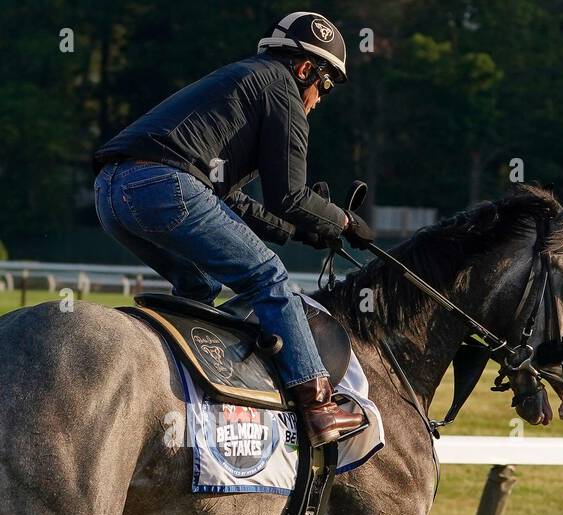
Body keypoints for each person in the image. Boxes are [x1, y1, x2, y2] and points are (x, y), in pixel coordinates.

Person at [92, 11, 374, 446]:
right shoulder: (282, 89)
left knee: (198, 284)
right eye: (325, 86)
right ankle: (319, 409)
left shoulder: (244, 82)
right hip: (166, 188)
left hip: (112, 193)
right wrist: (344, 220)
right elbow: (292, 197)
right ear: (305, 70)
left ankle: (177, 396)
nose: (319, 100)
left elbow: (230, 198)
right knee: (269, 277)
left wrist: (297, 230)